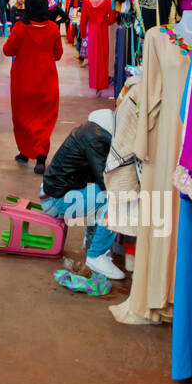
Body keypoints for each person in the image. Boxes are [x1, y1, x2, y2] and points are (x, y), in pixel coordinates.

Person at [39, 108, 123, 279]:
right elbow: (106, 182)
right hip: (55, 200)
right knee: (116, 200)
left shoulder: (92, 131)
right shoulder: (97, 139)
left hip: (53, 194)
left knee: (104, 196)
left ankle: (92, 243)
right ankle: (96, 255)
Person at [2, 0, 62, 177]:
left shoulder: (20, 27)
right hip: (46, 80)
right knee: (44, 118)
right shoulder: (52, 28)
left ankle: (25, 152)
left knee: (23, 117)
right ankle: (41, 158)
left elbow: (7, 50)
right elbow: (58, 55)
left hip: (23, 81)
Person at [81, 0, 117, 93]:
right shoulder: (107, 2)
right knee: (102, 57)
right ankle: (101, 84)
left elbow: (83, 20)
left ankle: (94, 83)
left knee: (93, 58)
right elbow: (112, 19)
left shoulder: (86, 2)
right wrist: (104, 21)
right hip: (103, 32)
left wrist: (82, 34)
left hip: (92, 32)